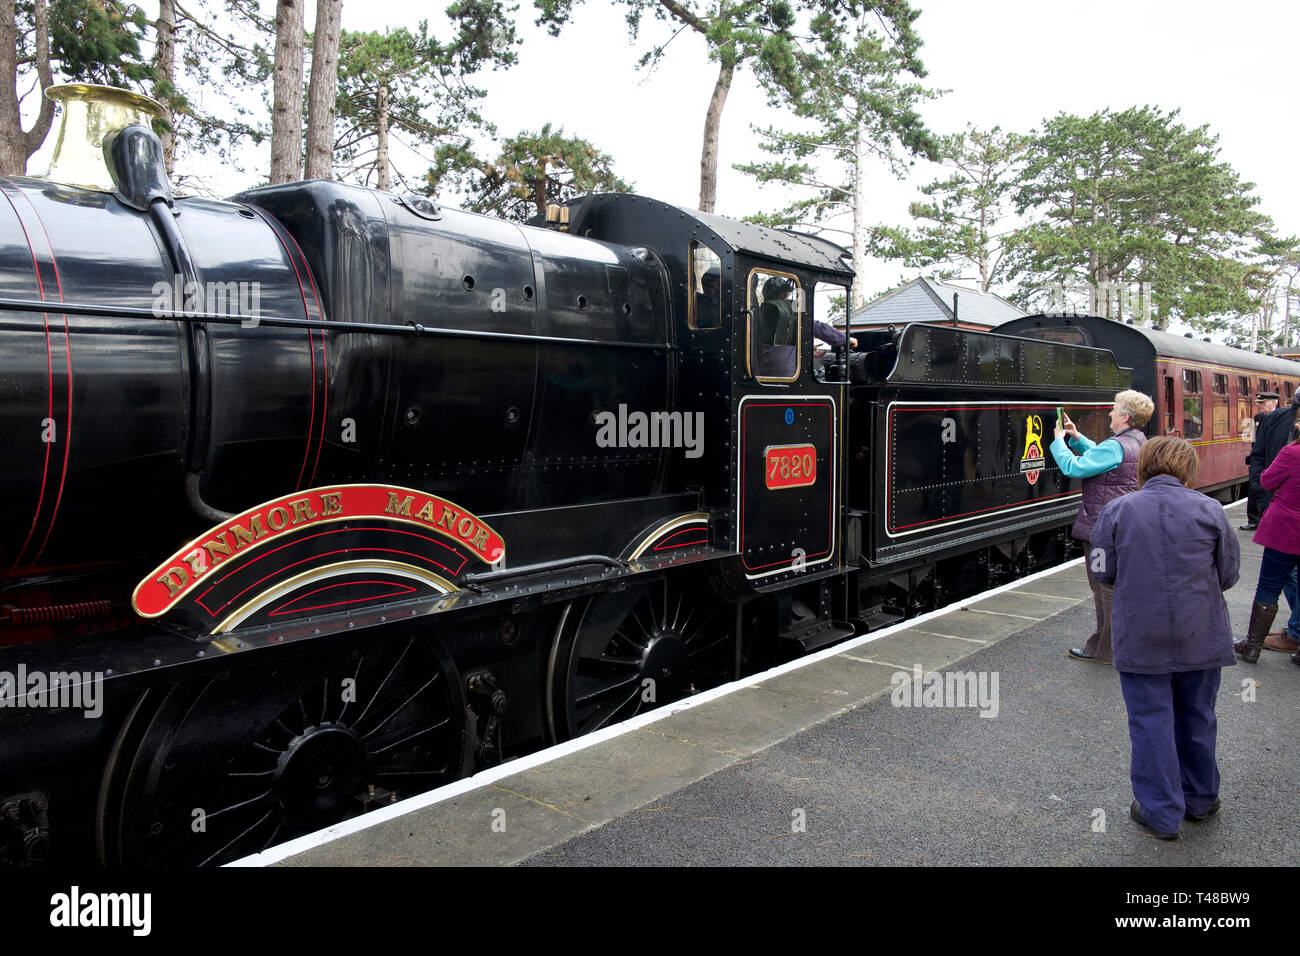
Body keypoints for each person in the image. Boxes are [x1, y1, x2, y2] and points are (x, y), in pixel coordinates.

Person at [1090, 436, 1239, 840]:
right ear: (1188, 470)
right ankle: (1202, 798)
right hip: (1202, 633)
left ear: (1143, 468)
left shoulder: (1116, 510)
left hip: (1141, 633)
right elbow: (1228, 573)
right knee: (1198, 716)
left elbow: (1101, 568)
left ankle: (1160, 812)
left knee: (1150, 720)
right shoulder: (1211, 509)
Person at [1049, 389, 1155, 664]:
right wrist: (1077, 436)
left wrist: (1059, 442)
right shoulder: (1137, 441)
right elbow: (1104, 457)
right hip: (1122, 526)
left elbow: (1074, 468)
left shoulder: (1116, 446)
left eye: (1115, 408)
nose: (1110, 412)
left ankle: (1105, 648)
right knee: (1113, 584)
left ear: (1126, 416)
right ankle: (1114, 642)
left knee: (1102, 585)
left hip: (1101, 530)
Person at [1235, 419, 1300, 664]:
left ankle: (1252, 647)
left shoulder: (1292, 452)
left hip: (1286, 529)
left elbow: (1267, 480)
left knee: (1269, 586)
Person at [757, 276, 856, 378]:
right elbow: (812, 325)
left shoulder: (757, 312)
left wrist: (806, 351)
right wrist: (844, 339)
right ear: (783, 294)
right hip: (784, 371)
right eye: (787, 294)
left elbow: (774, 346)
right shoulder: (785, 310)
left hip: (760, 369)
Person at [1240, 391, 1279, 530]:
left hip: (1272, 458)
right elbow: (1255, 439)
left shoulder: (1280, 418)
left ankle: (1266, 518)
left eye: (1263, 403)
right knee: (1253, 488)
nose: (1261, 406)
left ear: (1274, 402)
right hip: (1258, 458)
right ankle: (1253, 519)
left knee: (1268, 490)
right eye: (1259, 403)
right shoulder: (1258, 418)